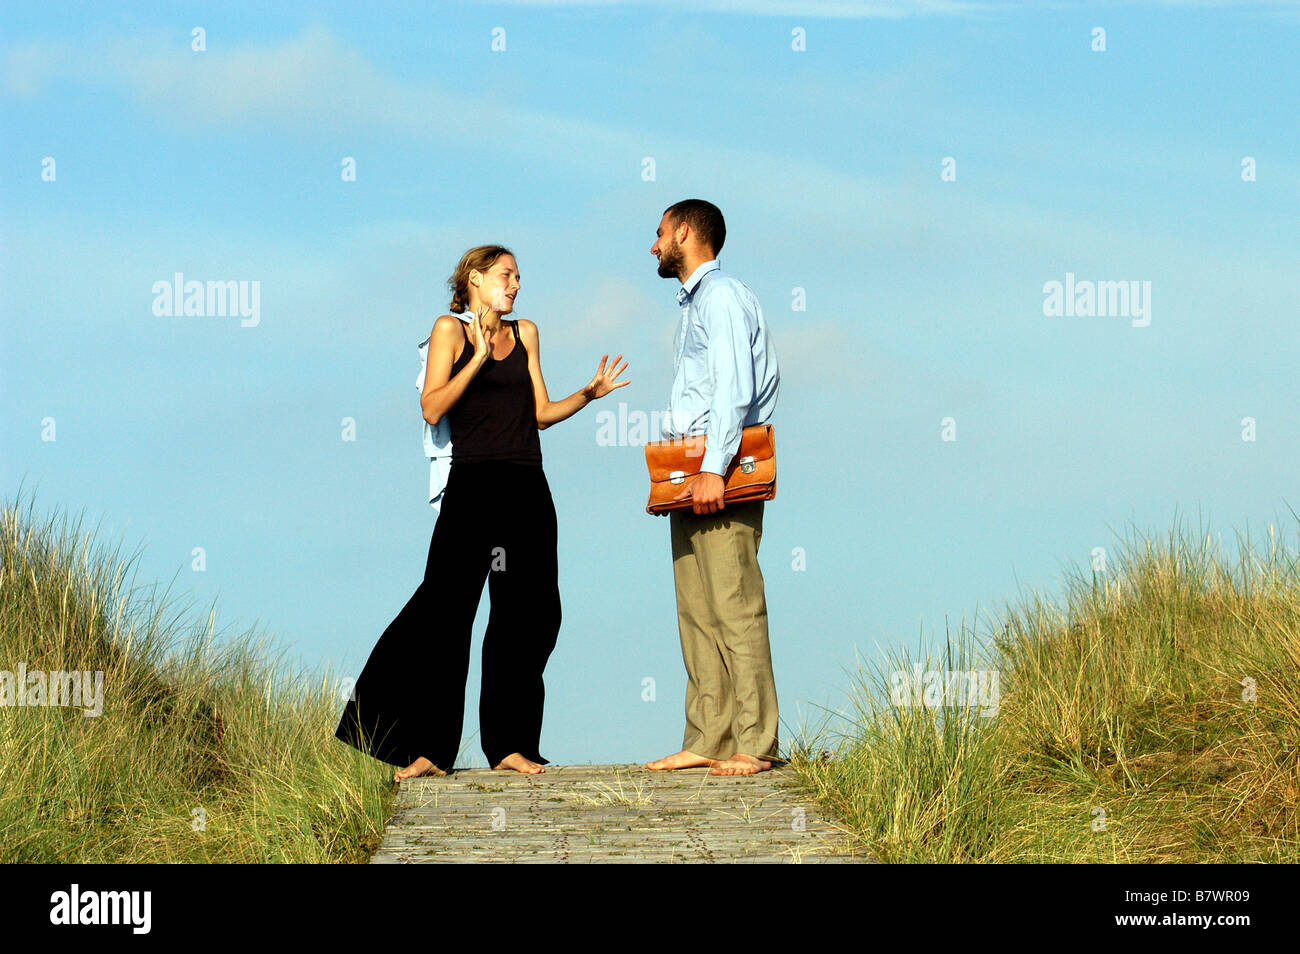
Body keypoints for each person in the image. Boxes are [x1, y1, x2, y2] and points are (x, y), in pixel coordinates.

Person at [335, 245, 629, 781]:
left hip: (526, 487)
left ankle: (511, 745)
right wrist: (477, 351)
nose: (515, 284)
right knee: (445, 615)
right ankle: (427, 750)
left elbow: (539, 412)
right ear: (475, 277)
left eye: (519, 276)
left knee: (529, 616)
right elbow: (431, 406)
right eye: (506, 275)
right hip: (471, 489)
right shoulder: (449, 330)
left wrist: (588, 394)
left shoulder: (528, 333)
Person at [643, 200, 782, 777]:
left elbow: (734, 387)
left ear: (684, 232)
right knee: (697, 609)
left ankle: (756, 742)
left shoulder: (721, 296)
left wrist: (714, 468)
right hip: (693, 472)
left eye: (658, 234)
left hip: (716, 472)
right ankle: (709, 736)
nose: (653, 247)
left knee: (735, 606)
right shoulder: (697, 303)